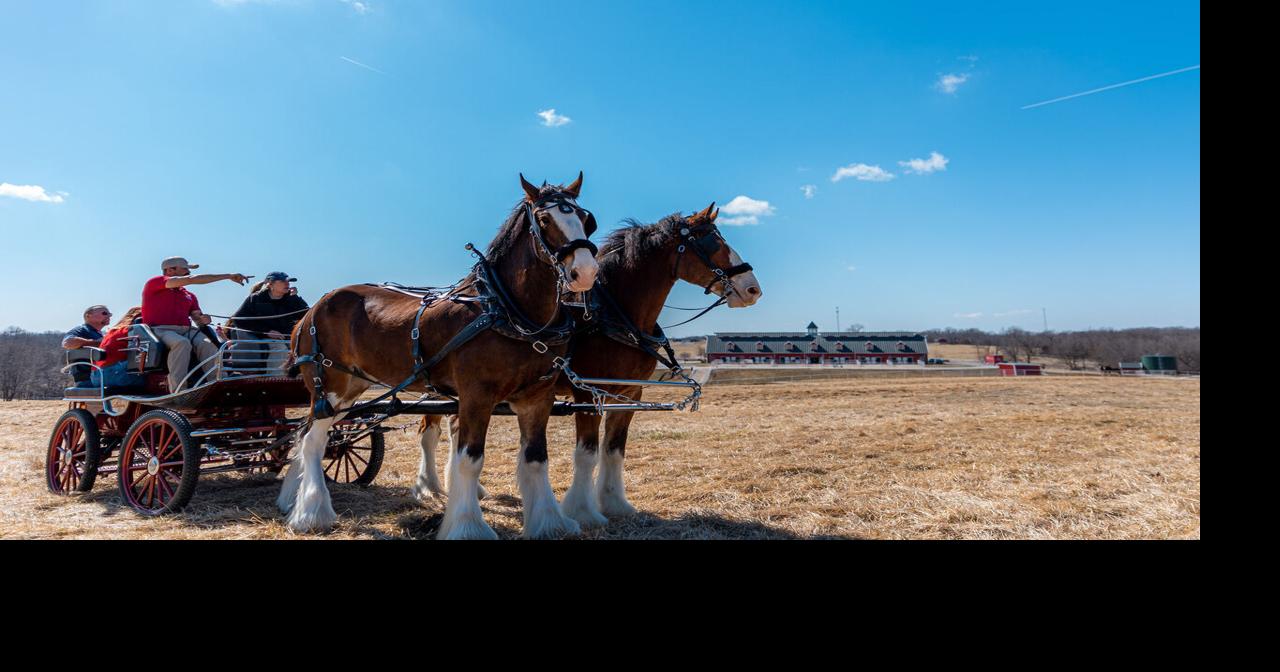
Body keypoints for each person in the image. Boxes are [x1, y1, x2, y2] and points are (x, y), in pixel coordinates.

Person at [141, 256, 248, 392]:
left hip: (186, 329)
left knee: (208, 345)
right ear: (170, 270)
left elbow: (197, 318)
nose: (188, 272)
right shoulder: (155, 283)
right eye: (185, 269)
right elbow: (192, 280)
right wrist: (228, 276)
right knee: (181, 343)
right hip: (159, 330)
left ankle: (218, 384)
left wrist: (204, 319)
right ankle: (179, 390)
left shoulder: (189, 295)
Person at [227, 272, 308, 374]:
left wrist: (295, 298)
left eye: (288, 281)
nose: (287, 283)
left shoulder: (292, 299)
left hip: (288, 339)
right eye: (283, 281)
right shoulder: (255, 298)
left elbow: (307, 317)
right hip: (260, 338)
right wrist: (266, 332)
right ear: (270, 284)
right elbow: (238, 319)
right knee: (279, 348)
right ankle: (276, 381)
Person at [79, 307, 147, 389]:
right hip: (113, 374)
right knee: (152, 365)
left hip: (96, 377)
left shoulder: (114, 331)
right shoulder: (131, 330)